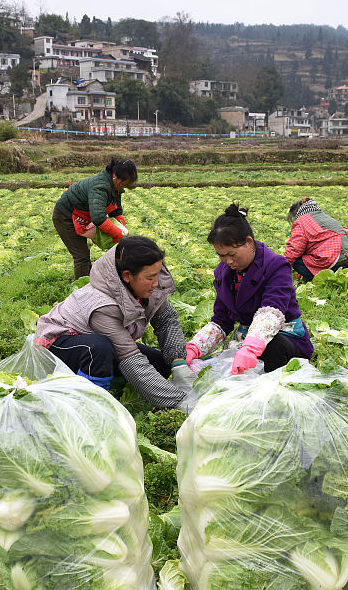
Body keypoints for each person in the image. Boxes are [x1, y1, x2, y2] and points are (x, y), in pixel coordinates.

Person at [35, 235, 192, 410]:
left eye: (157, 274)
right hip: (62, 342)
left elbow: (166, 321)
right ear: (127, 276)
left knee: (160, 364)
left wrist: (178, 363)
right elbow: (129, 356)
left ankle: (110, 382)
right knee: (98, 349)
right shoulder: (101, 304)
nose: (156, 283)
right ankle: (89, 403)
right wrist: (177, 402)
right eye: (150, 277)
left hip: (105, 343)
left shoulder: (149, 286)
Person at [184, 204, 314, 375]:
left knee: (272, 347)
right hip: (247, 340)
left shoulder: (276, 266)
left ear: (249, 242)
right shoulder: (224, 273)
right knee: (212, 368)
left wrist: (251, 348)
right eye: (221, 256)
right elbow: (222, 320)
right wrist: (196, 347)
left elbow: (271, 313)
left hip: (284, 339)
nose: (228, 261)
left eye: (232, 254)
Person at [52, 157, 137, 279]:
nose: (124, 186)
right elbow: (98, 218)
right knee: (81, 255)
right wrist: (118, 234)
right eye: (124, 183)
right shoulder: (101, 187)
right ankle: (82, 291)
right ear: (115, 177)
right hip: (65, 216)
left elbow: (116, 210)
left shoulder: (115, 187)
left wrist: (122, 226)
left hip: (80, 215)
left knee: (84, 253)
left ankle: (90, 282)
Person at [282, 196, 348, 280]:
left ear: (296, 214)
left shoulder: (301, 220)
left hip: (337, 260)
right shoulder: (323, 216)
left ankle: (322, 280)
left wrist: (279, 267)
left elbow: (294, 250)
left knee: (296, 260)